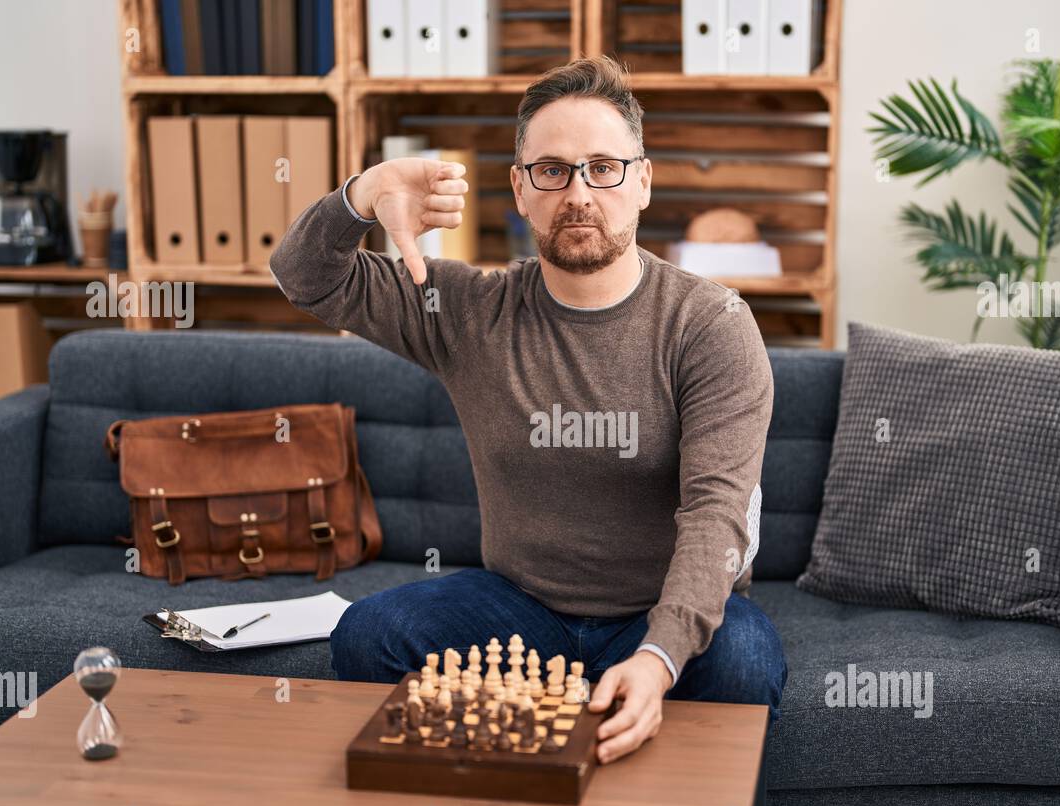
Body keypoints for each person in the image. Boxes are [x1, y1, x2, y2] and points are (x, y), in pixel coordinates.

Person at [270, 55, 786, 764]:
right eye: (552, 170)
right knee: (368, 633)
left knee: (744, 664)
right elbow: (302, 277)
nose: (578, 192)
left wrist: (659, 657)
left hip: (659, 610)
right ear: (520, 188)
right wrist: (359, 195)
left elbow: (716, 513)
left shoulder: (712, 324)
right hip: (518, 607)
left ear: (643, 181)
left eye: (603, 167)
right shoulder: (468, 310)